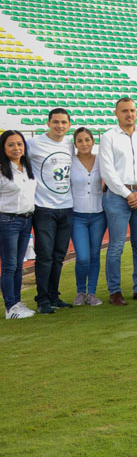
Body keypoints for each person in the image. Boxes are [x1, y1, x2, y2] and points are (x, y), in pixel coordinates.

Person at [99, 97, 137, 305]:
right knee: (116, 245)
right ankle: (114, 291)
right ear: (116, 113)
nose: (129, 114)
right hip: (117, 197)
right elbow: (107, 170)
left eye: (132, 110)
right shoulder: (108, 137)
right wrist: (127, 194)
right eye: (124, 111)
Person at [27, 108, 74, 313]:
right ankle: (42, 300)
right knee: (44, 255)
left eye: (64, 122)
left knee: (58, 255)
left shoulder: (70, 145)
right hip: (44, 208)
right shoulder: (33, 144)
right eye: (56, 122)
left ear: (69, 125)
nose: (60, 126)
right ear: (48, 123)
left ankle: (54, 296)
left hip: (67, 207)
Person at [1, 130, 37, 319]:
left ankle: (16, 302)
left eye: (19, 144)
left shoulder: (26, 167)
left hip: (26, 220)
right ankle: (10, 307)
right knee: (9, 265)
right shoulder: (2, 169)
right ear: (3, 148)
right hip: (8, 220)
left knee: (18, 265)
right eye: (11, 145)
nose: (16, 148)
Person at [70, 128, 106, 306]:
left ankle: (91, 293)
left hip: (99, 214)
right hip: (77, 216)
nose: (84, 144)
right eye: (80, 141)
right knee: (83, 256)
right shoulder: (70, 162)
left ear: (93, 141)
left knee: (94, 255)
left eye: (87, 140)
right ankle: (80, 291)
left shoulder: (101, 160)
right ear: (75, 143)